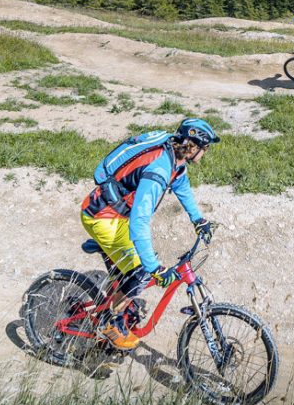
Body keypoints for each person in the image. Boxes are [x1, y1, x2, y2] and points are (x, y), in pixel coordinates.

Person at [81, 118, 219, 350]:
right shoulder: (158, 170)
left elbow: (181, 185)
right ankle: (109, 325)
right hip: (102, 217)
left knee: (137, 268)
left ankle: (118, 304)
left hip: (117, 216)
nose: (205, 154)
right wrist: (153, 267)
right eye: (205, 149)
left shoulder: (174, 159)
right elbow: (140, 221)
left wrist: (198, 220)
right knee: (141, 271)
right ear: (193, 146)